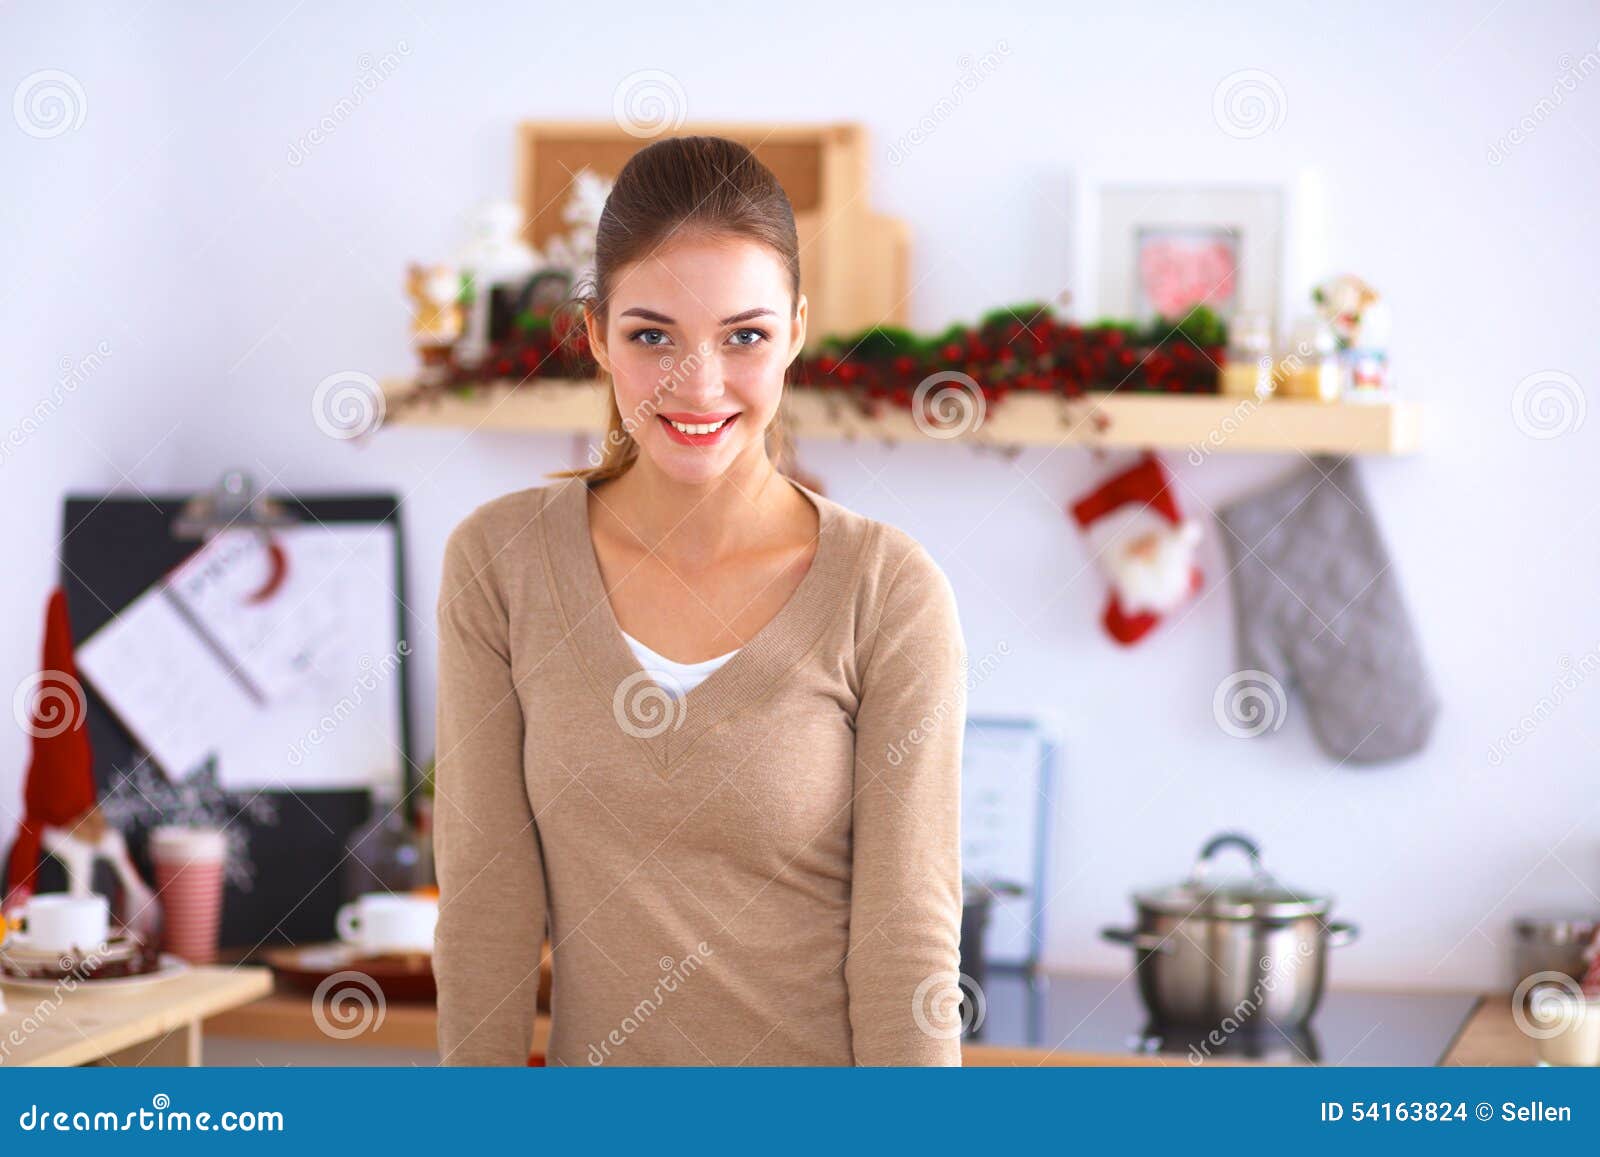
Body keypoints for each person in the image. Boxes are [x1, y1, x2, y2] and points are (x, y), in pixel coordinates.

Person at [432, 135, 969, 1066]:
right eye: (653, 336)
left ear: (796, 329)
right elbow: (486, 912)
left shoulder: (887, 591)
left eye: (744, 336)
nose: (700, 384)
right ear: (596, 334)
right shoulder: (501, 562)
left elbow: (907, 945)